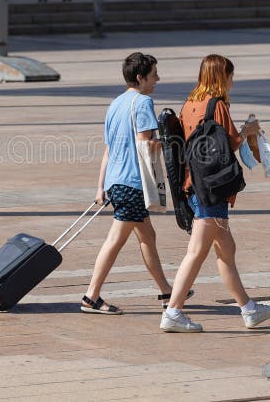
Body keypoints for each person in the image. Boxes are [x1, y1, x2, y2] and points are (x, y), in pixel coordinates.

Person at [160, 54, 270, 332]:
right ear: (221, 76)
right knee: (197, 252)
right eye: (230, 76)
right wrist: (248, 130)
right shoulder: (218, 105)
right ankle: (173, 311)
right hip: (212, 190)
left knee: (226, 251)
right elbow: (229, 145)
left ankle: (249, 310)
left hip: (194, 185)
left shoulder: (189, 103)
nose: (232, 81)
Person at [81, 52, 190, 314]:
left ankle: (166, 291)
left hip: (117, 181)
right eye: (154, 75)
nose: (158, 79)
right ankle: (91, 296)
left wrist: (100, 187)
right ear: (140, 78)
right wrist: (172, 140)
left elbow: (108, 150)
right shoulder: (142, 103)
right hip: (132, 183)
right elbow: (146, 145)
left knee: (148, 237)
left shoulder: (115, 104)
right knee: (115, 241)